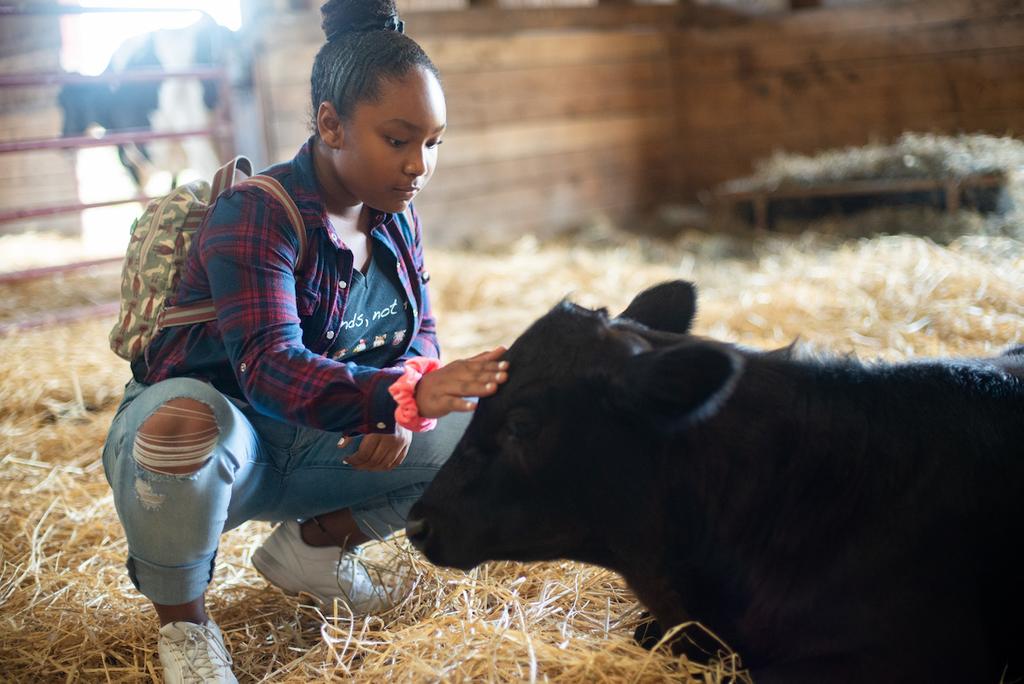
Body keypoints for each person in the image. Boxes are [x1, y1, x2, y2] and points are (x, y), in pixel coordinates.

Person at [101, 2, 508, 681]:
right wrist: (389, 398)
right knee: (181, 428)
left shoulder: (394, 214)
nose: (418, 166)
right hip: (228, 444)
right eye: (398, 139)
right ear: (330, 124)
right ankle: (187, 628)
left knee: (497, 428)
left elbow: (420, 332)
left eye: (433, 143)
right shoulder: (257, 212)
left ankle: (314, 549)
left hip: (319, 439)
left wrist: (409, 400)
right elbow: (269, 367)